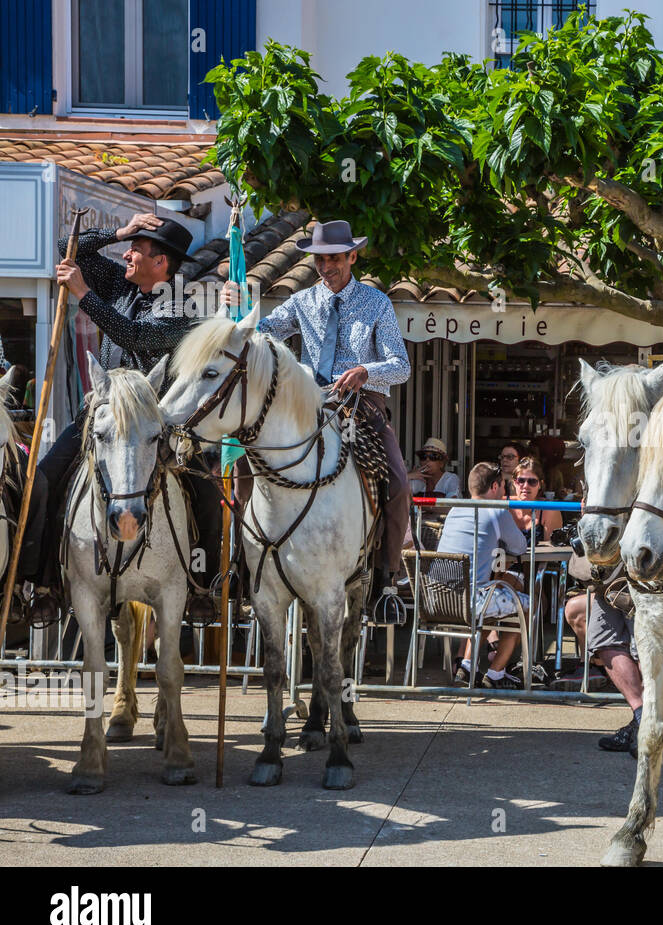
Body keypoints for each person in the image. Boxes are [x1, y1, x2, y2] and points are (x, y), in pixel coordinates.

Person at [28, 213, 221, 626]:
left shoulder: (180, 304)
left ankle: (204, 585)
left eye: (138, 249)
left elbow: (137, 336)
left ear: (162, 263)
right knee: (43, 478)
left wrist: (84, 295)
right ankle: (43, 583)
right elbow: (68, 247)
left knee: (205, 487)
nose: (128, 254)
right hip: (102, 409)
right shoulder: (120, 282)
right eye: (130, 246)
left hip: (158, 416)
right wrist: (119, 231)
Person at [221, 220, 411, 623]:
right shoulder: (301, 301)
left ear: (352, 257)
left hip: (362, 405)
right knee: (243, 462)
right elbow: (261, 334)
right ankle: (245, 565)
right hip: (309, 402)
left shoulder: (377, 303)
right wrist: (233, 310)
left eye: (335, 259)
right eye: (321, 259)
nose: (327, 266)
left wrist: (365, 370)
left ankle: (385, 580)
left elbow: (402, 366)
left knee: (397, 482)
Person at [435, 462, 531, 689]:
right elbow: (519, 548)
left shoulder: (455, 509)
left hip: (439, 600)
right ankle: (496, 673)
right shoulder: (496, 510)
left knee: (493, 594)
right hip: (472, 602)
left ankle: (467, 666)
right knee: (528, 606)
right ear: (495, 486)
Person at [562, 556, 643, 755]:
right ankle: (643, 717)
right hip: (606, 580)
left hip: (644, 570)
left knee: (644, 648)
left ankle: (649, 726)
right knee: (604, 641)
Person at [508, 457, 562, 542]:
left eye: (532, 481)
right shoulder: (502, 505)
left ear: (540, 484)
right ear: (515, 483)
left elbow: (551, 551)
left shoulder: (550, 510)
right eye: (521, 480)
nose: (525, 486)